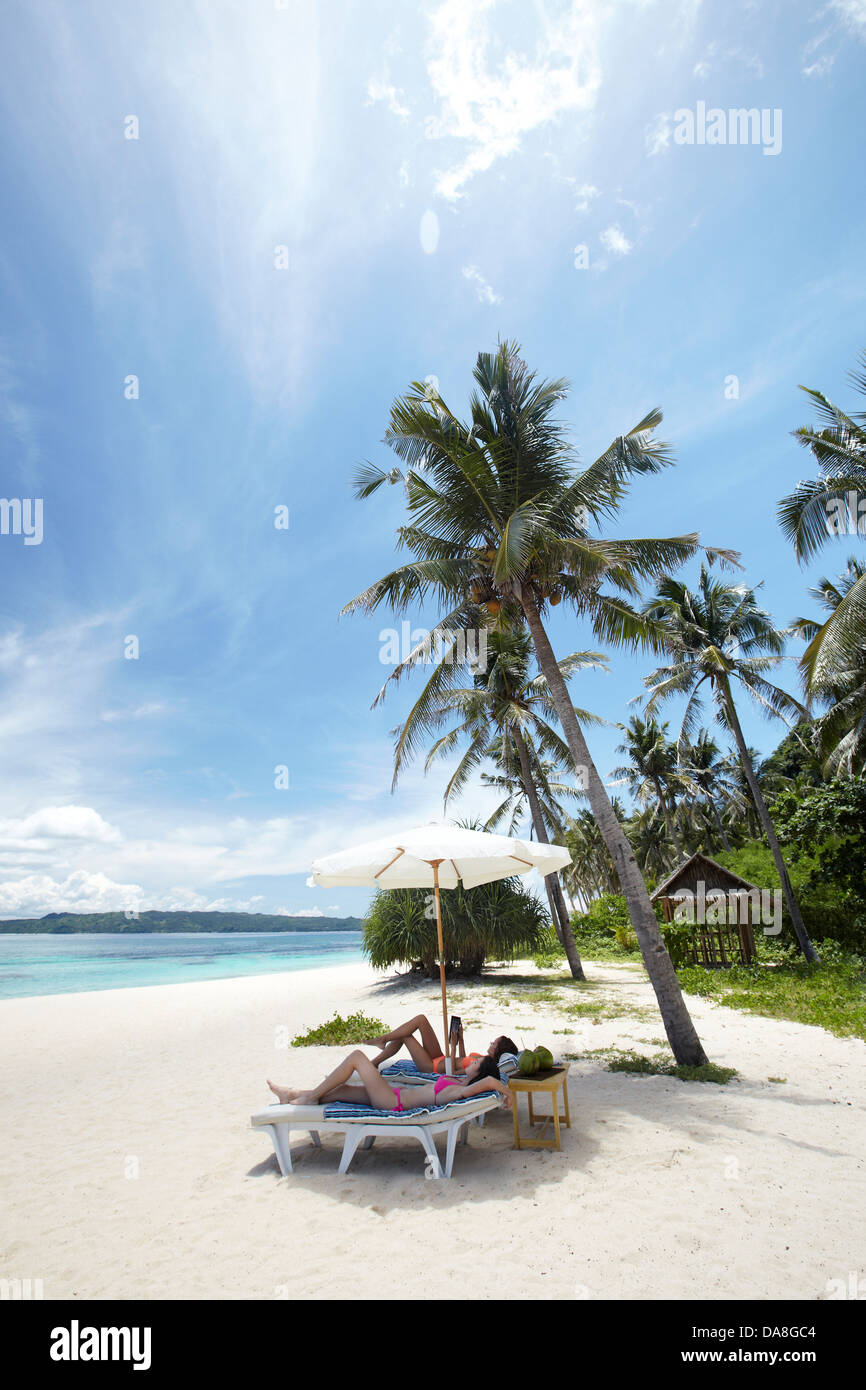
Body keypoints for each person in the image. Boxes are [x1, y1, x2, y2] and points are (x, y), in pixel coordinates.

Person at [266, 1047, 513, 1112]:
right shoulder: (459, 1082)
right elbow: (484, 1077)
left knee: (357, 1057)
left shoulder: (460, 1093)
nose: (474, 1060)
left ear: (479, 1074)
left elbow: (492, 1082)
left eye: (477, 1062)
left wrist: (509, 1095)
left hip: (392, 1103)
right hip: (393, 1095)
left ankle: (308, 1097)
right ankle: (293, 1094)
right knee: (340, 1090)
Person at [364, 1013, 518, 1075]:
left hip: (431, 1067)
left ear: (497, 1049)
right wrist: (461, 1039)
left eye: (494, 1043)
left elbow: (453, 1074)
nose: (491, 1042)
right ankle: (381, 1046)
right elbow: (462, 1059)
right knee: (421, 1020)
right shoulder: (482, 1058)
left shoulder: (485, 1067)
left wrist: (452, 1046)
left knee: (406, 1036)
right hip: (440, 1058)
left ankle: (378, 1054)